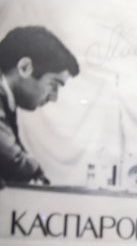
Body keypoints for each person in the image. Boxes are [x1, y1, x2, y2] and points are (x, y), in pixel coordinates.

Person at [0, 26, 79, 186]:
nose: (54, 97)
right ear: (25, 68)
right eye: (53, 84)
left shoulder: (7, 102)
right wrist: (39, 176)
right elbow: (12, 160)